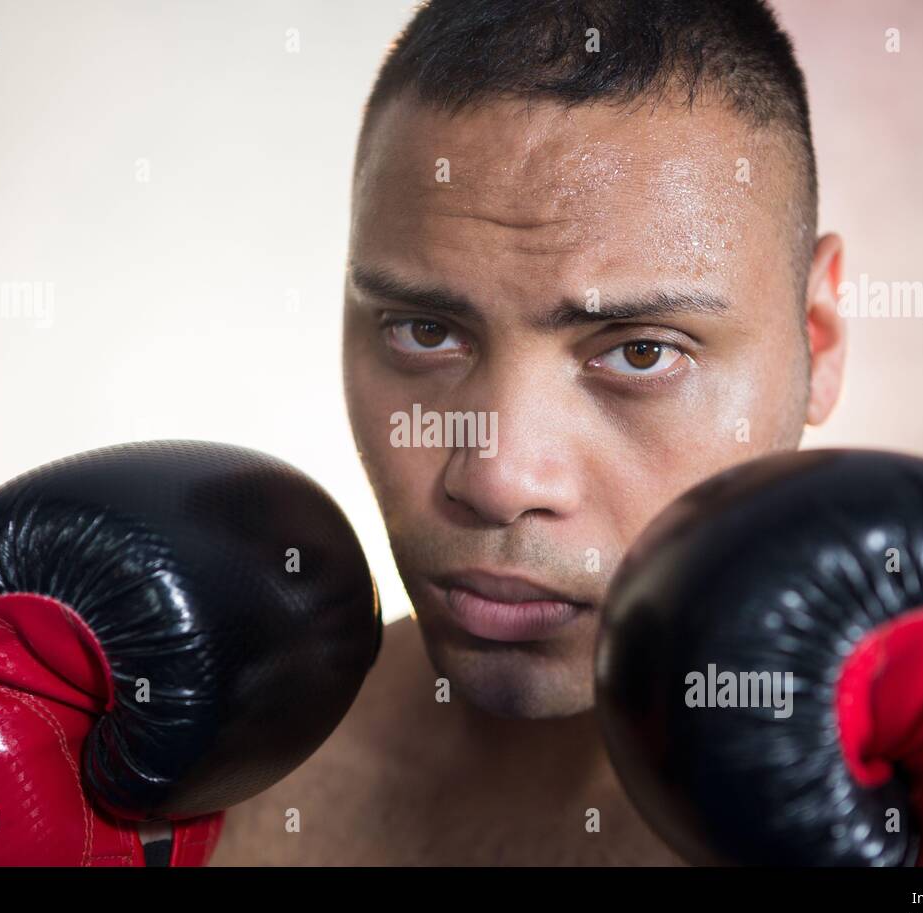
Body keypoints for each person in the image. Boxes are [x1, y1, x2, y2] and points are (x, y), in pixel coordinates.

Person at [212, 0, 846, 865]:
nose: (498, 478)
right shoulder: (209, 773)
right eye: (424, 333)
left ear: (820, 338)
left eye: (641, 350)